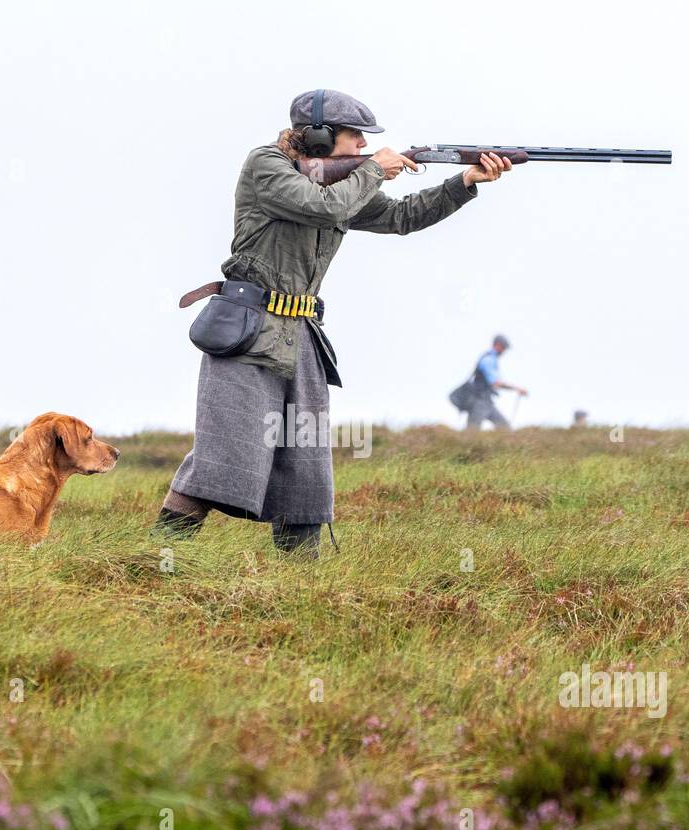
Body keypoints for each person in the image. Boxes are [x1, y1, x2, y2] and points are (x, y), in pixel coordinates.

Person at [153, 89, 513, 556]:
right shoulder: (267, 165)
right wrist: (371, 171)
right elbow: (319, 206)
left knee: (306, 474)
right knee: (223, 459)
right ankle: (154, 563)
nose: (363, 147)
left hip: (301, 338)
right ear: (320, 138)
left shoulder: (343, 184)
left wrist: (465, 182)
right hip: (248, 331)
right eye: (354, 137)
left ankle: (304, 591)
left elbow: (401, 217)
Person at [452, 335, 527, 430]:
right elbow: (496, 383)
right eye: (504, 348)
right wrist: (517, 389)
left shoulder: (491, 359)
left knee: (505, 428)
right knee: (472, 432)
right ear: (498, 345)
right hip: (479, 403)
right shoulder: (488, 360)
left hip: (487, 402)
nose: (504, 352)